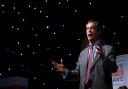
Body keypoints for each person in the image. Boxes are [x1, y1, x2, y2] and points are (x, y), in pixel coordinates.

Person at [52, 19, 117, 89]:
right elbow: (77, 74)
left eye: (92, 28)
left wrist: (103, 58)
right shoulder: (82, 53)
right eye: (87, 29)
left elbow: (114, 68)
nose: (89, 30)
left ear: (98, 32)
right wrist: (64, 70)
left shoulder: (108, 49)